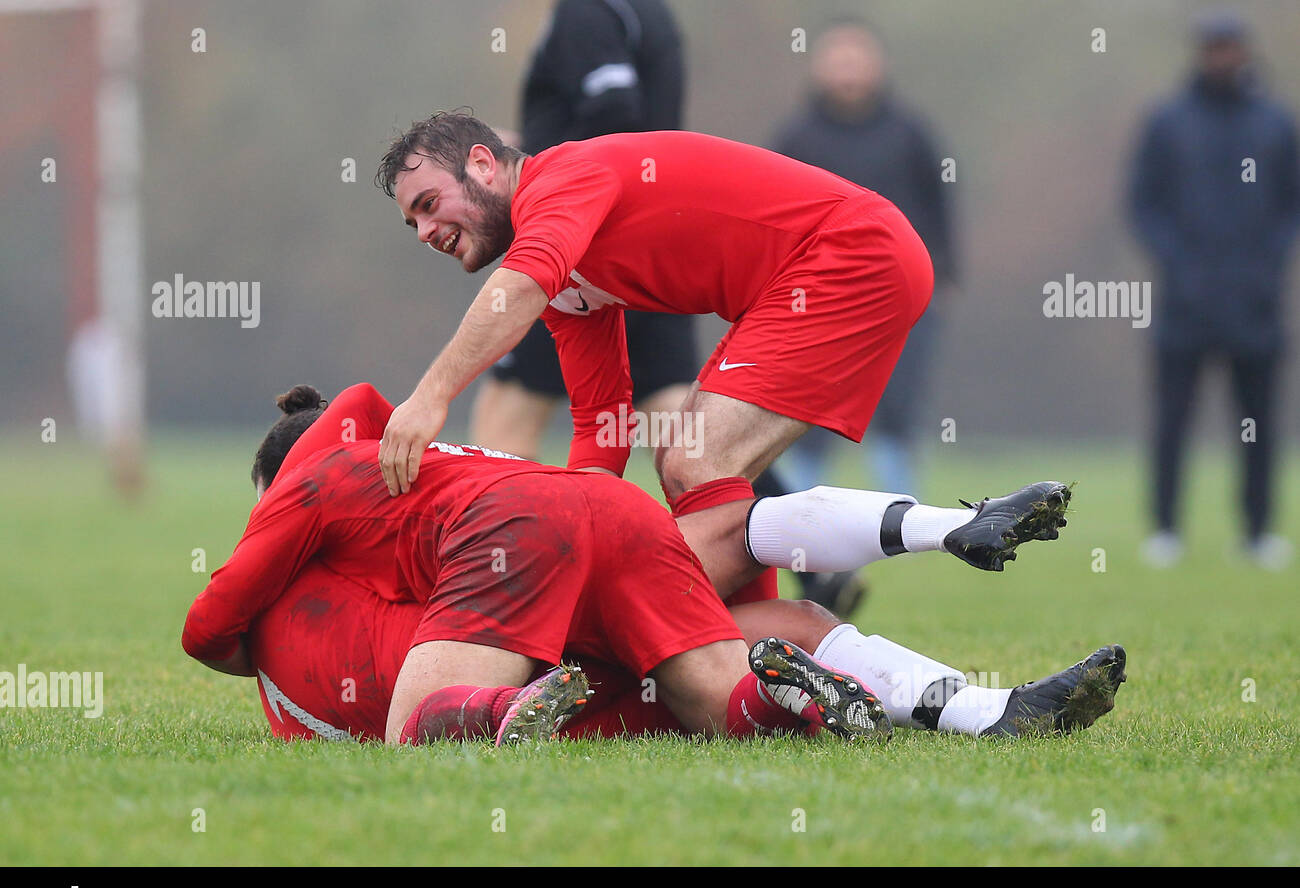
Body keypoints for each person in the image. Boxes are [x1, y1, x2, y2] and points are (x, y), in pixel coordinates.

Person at [373, 113, 1071, 611]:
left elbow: (519, 285)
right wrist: (573, 533)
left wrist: (429, 397)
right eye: (413, 224)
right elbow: (601, 426)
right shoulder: (565, 283)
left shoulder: (561, 180)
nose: (427, 231)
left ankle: (938, 532)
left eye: (430, 204)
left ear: (486, 166)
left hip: (848, 254)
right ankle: (760, 652)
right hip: (826, 268)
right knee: (695, 473)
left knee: (692, 462)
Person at [185, 384, 1128, 745]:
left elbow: (209, 625)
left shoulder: (316, 499)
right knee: (768, 630)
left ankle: (508, 708)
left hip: (533, 553)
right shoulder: (405, 464)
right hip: (607, 499)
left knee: (419, 726)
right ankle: (967, 682)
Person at [471, 0, 700, 465]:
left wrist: (535, 167)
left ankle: (497, 539)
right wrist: (526, 147)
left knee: (503, 420)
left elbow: (614, 108)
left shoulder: (587, 9)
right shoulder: (646, 11)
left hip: (587, 244)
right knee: (686, 432)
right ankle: (779, 525)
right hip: (654, 241)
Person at [1129, 10, 1298, 570]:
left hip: (1255, 302)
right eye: (1213, 48)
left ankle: (1257, 531)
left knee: (1257, 422)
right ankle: (1166, 528)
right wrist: (1179, 261)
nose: (1222, 57)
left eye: (1230, 48)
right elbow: (1143, 205)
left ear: (1244, 52)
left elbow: (1290, 205)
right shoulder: (1169, 122)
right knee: (1173, 419)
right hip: (1186, 301)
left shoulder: (1275, 124)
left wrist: (1267, 262)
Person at [769, 18, 955, 498]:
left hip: (902, 297)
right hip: (817, 296)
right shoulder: (797, 138)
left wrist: (943, 273)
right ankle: (793, 516)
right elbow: (772, 216)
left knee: (896, 411)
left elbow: (939, 207)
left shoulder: (911, 134)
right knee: (806, 412)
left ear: (878, 64)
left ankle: (904, 516)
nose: (848, 69)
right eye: (838, 57)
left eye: (858, 57)